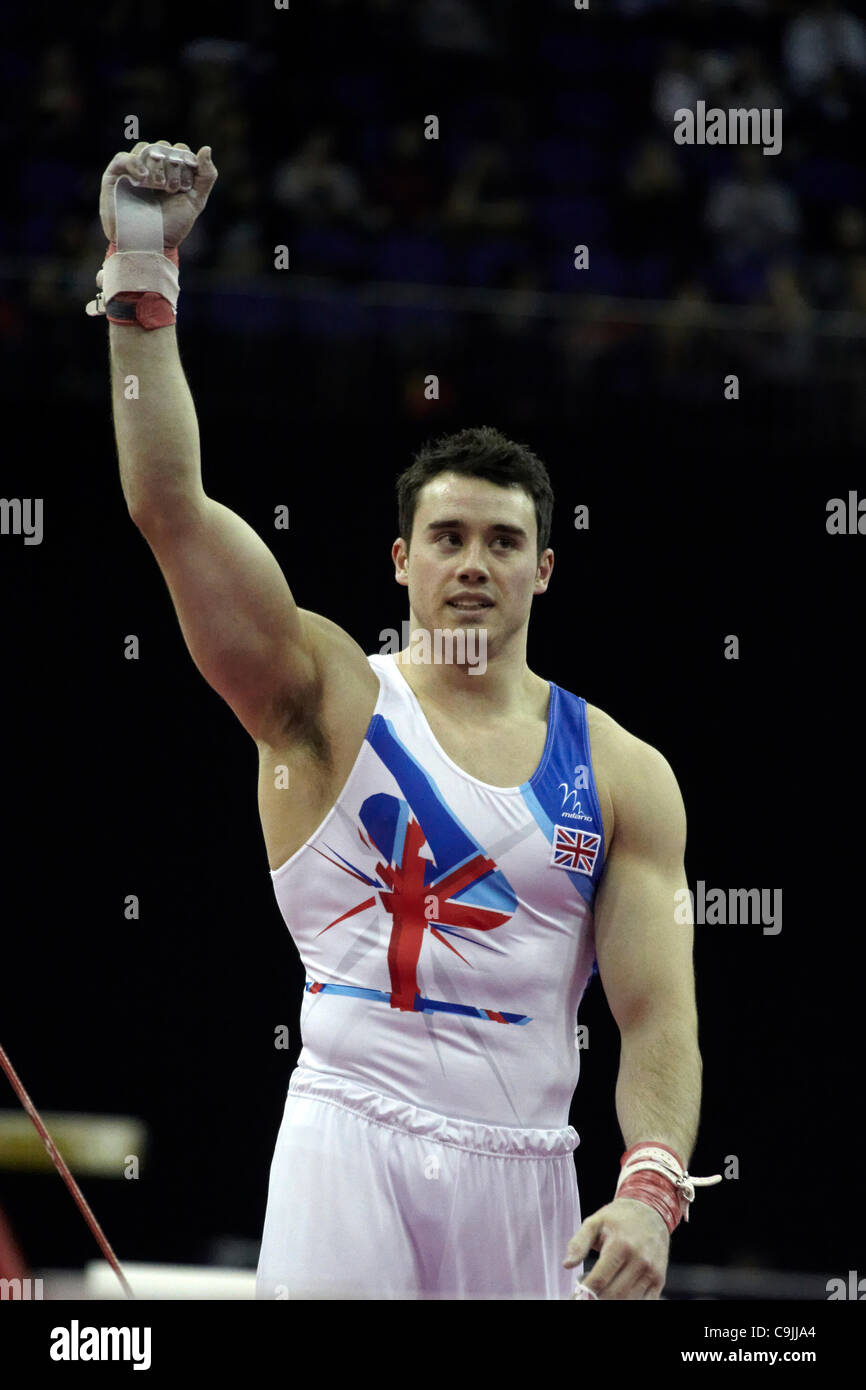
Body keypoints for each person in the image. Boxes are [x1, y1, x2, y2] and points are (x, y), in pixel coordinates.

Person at [92, 140, 710, 1301]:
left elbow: (655, 1013)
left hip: (527, 1173)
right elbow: (168, 507)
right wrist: (140, 275)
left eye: (503, 541)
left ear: (543, 571)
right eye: (447, 537)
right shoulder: (322, 698)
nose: (472, 563)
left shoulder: (623, 773)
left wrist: (650, 1182)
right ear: (399, 560)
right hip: (347, 1135)